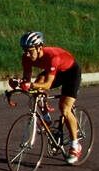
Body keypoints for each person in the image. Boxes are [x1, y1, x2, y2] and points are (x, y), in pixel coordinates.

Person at [9, 31, 82, 163]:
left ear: (39, 48)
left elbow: (47, 85)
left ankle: (75, 145)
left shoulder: (52, 57)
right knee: (37, 83)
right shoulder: (26, 58)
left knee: (65, 109)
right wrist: (18, 83)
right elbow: (27, 79)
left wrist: (30, 85)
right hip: (55, 72)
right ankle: (46, 118)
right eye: (24, 50)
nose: (26, 54)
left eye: (30, 51)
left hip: (71, 73)